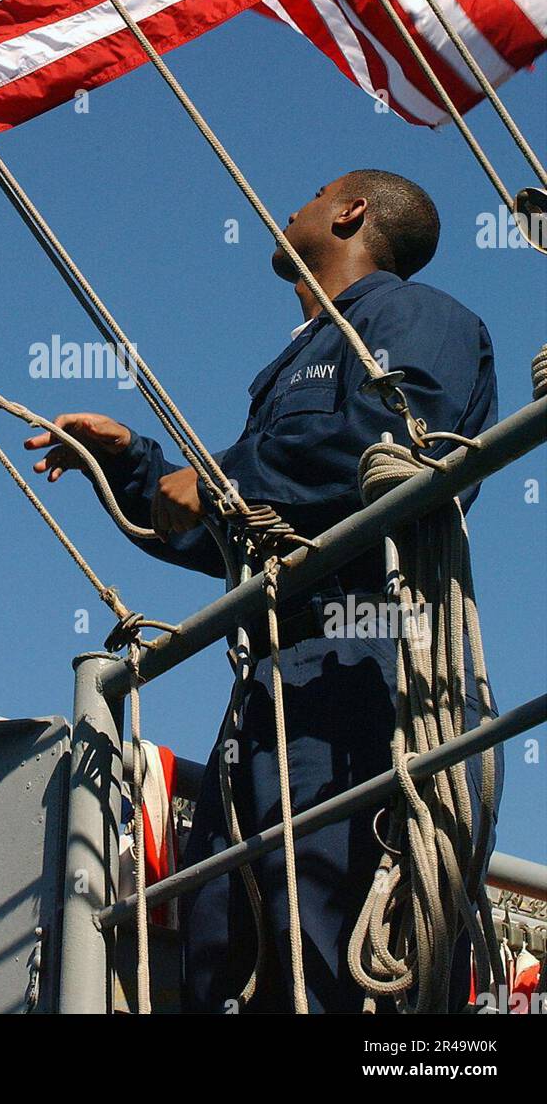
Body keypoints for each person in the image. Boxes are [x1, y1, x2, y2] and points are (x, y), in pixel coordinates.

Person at [25, 169, 501, 1013]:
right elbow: (255, 539)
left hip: (370, 663)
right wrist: (132, 465)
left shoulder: (415, 320)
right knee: (231, 949)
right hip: (271, 690)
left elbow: (398, 446)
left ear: (352, 212)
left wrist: (217, 484)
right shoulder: (294, 362)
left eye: (314, 196)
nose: (291, 210)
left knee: (334, 938)